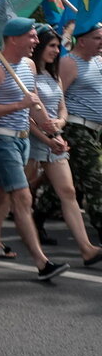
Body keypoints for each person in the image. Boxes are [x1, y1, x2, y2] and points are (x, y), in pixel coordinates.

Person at [0, 17, 68, 279]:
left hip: (22, 139)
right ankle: (42, 263)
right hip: (0, 140)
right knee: (23, 199)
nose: (36, 41)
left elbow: (34, 104)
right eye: (32, 36)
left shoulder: (27, 65)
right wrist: (18, 105)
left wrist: (52, 133)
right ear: (14, 39)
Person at [25, 26, 102, 265]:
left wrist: (59, 122)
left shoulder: (56, 72)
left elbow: (61, 105)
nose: (56, 51)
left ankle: (85, 248)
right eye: (51, 46)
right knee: (8, 196)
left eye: (58, 46)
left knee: (66, 191)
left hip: (61, 136)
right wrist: (51, 134)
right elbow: (31, 111)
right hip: (47, 137)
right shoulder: (41, 71)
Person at [55, 19, 102, 253]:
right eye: (97, 38)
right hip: (77, 128)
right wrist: (57, 132)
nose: (101, 43)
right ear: (81, 41)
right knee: (96, 180)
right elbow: (57, 97)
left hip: (95, 131)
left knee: (67, 183)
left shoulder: (98, 61)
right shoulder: (68, 62)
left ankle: (40, 214)